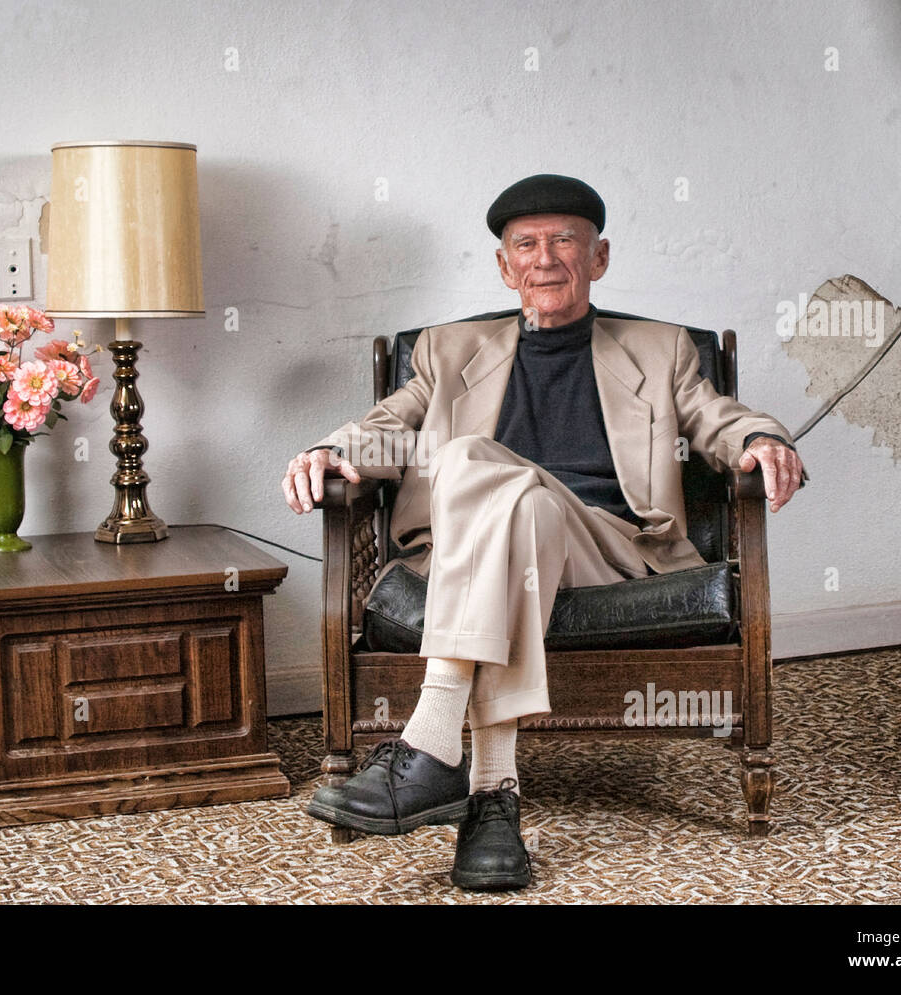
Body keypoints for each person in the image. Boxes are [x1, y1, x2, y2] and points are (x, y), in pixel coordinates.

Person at [280, 174, 806, 891]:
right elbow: (385, 429)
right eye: (526, 243)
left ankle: (432, 742)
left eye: (566, 240)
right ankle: (494, 799)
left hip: (606, 546)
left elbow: (716, 416)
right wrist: (330, 452)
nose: (546, 257)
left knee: (469, 460)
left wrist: (762, 438)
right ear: (504, 265)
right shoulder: (445, 350)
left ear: (600, 257)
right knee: (520, 507)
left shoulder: (662, 349)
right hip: (491, 552)